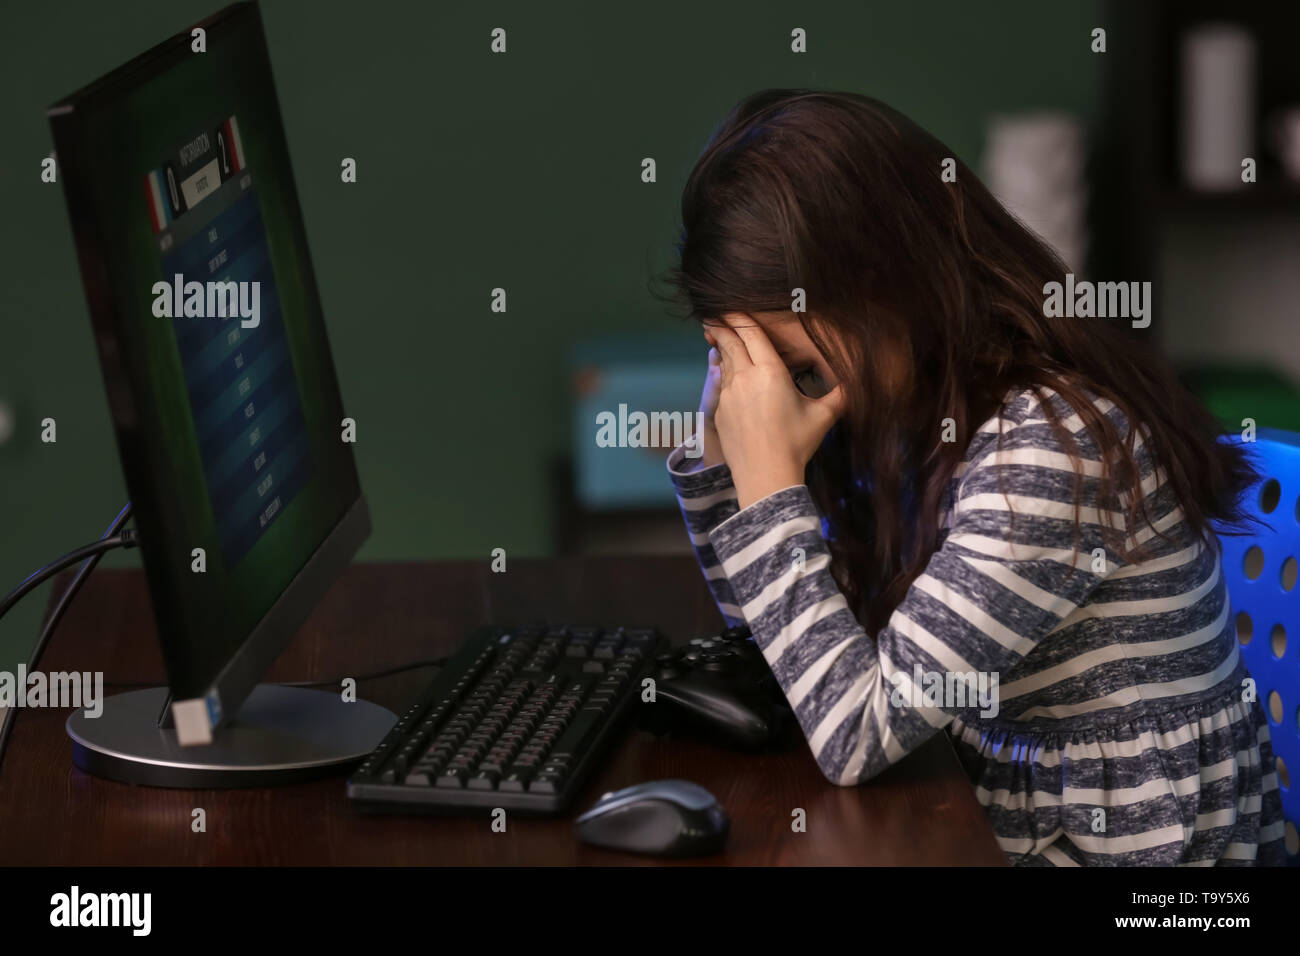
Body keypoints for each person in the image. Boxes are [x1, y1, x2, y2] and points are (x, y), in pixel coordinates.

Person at [659, 88, 1287, 866]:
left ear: (886, 283)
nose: (781, 393)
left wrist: (769, 492)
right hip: (997, 814)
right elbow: (787, 653)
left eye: (794, 367)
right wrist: (726, 446)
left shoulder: (1049, 446)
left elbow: (853, 731)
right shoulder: (905, 405)